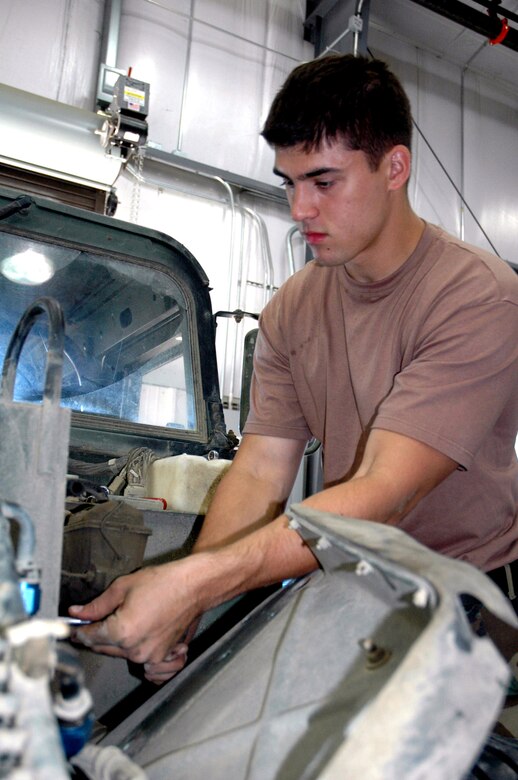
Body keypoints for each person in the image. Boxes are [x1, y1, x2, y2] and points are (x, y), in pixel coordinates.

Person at [70, 54, 518, 684]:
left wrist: (196, 583)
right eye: (288, 182)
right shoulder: (293, 308)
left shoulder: (477, 297)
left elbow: (385, 494)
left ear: (395, 167)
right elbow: (257, 472)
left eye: (324, 182)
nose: (299, 208)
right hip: (353, 576)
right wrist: (189, 603)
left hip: (459, 592)